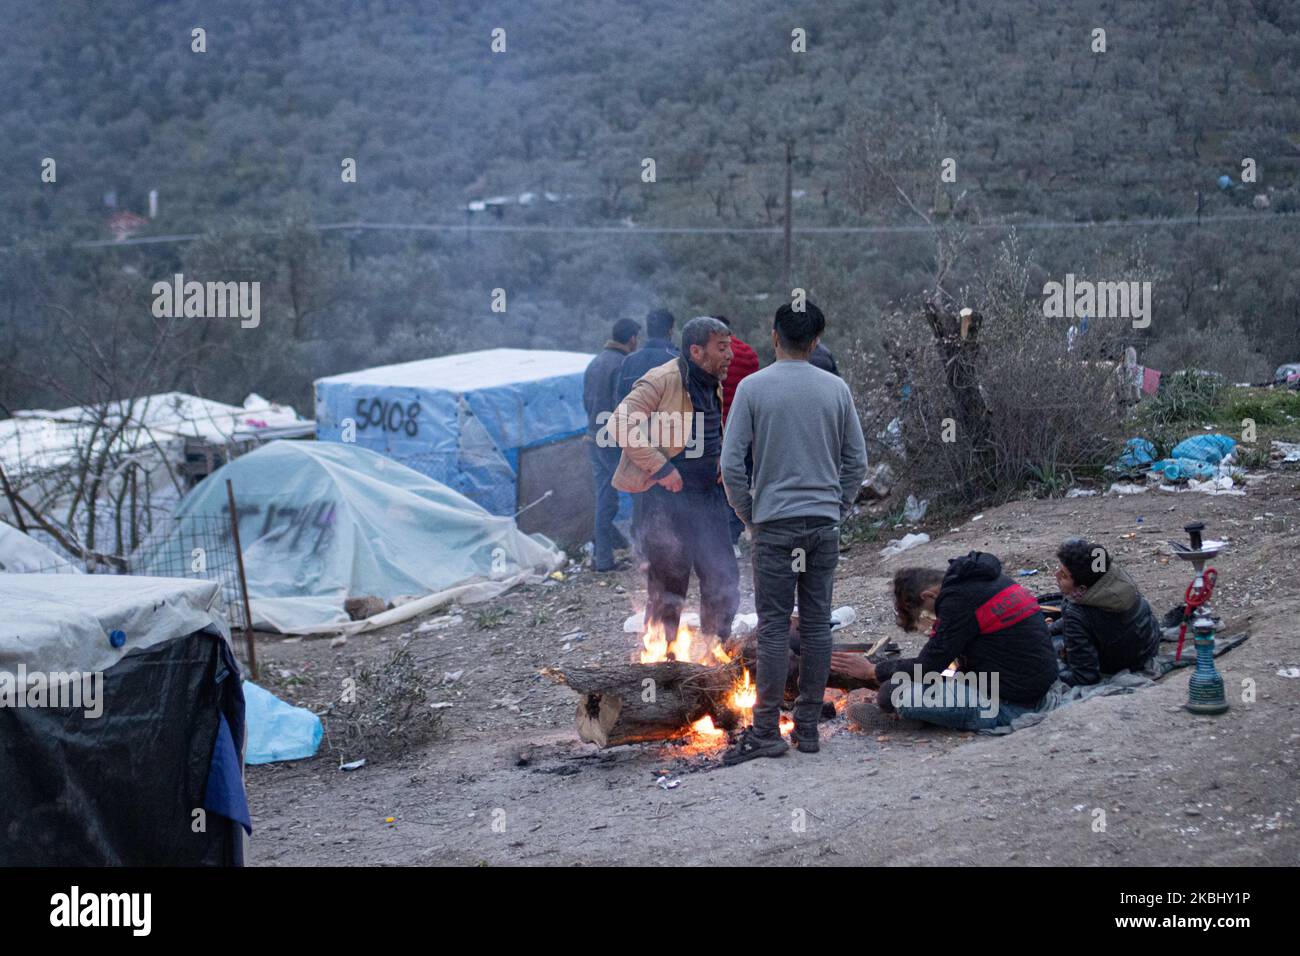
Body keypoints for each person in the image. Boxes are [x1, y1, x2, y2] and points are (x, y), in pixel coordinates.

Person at [720, 301, 867, 764]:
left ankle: (766, 731)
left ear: (773, 335)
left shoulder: (752, 388)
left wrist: (749, 515)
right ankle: (806, 728)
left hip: (775, 526)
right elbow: (856, 462)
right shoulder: (835, 389)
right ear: (816, 341)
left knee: (774, 626)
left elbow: (730, 464)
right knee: (819, 622)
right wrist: (836, 507)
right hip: (822, 525)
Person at [611, 316, 738, 647]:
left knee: (722, 577)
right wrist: (660, 467)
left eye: (729, 347)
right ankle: (662, 660)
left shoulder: (712, 378)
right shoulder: (661, 380)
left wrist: (720, 459)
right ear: (696, 350)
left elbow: (706, 428)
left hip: (709, 497)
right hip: (668, 502)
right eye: (722, 348)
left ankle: (714, 654)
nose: (730, 355)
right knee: (669, 583)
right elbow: (619, 424)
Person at [830, 554, 1059, 731]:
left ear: (928, 596)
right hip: (1032, 684)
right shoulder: (984, 580)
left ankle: (915, 719)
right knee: (908, 684)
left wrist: (872, 670)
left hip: (1013, 703)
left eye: (927, 615)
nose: (933, 620)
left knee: (894, 694)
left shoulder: (958, 601)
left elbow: (929, 666)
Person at [1051, 538, 1161, 685]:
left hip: (1118, 663)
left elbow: (1085, 676)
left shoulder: (1076, 613)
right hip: (1147, 648)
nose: (1056, 575)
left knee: (1048, 648)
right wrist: (1050, 629)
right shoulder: (1115, 578)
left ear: (1082, 588)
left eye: (1064, 575)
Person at [582, 318, 638, 571]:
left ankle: (603, 559)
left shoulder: (594, 363)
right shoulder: (623, 364)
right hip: (614, 441)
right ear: (632, 339)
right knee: (643, 492)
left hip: (594, 437)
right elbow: (624, 405)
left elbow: (586, 401)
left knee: (606, 500)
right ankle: (647, 554)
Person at [715, 315, 761, 546]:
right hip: (744, 429)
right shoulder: (748, 354)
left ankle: (716, 539)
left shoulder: (706, 355)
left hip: (712, 429)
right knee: (738, 479)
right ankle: (733, 536)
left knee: (712, 483)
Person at [617, 309, 679, 401]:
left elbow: (620, 403)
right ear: (670, 331)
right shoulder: (679, 360)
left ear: (648, 331)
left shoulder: (629, 361)